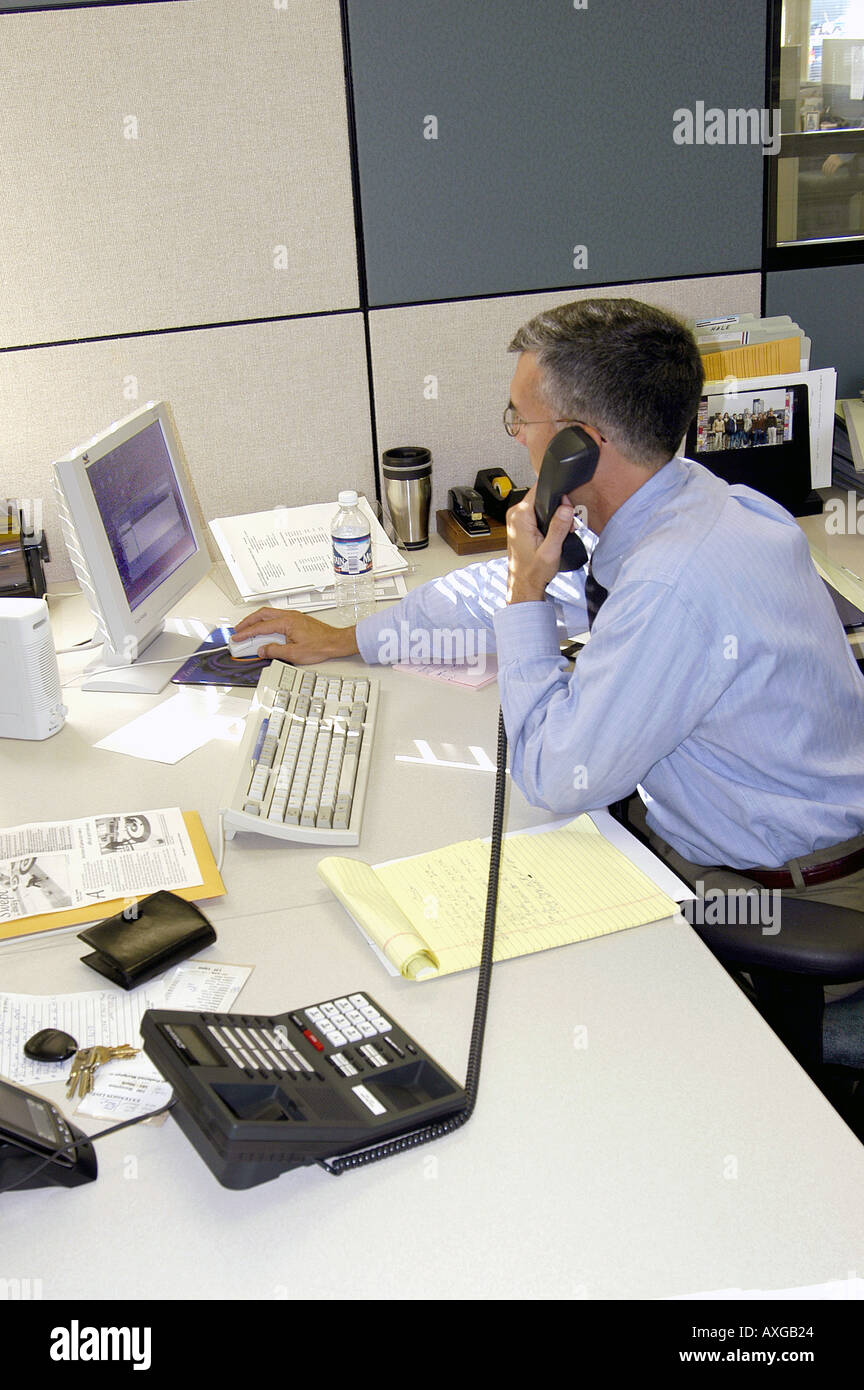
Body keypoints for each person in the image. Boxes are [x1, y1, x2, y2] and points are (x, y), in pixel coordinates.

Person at [234, 297, 864, 914]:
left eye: (519, 420)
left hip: (777, 889)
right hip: (746, 826)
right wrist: (351, 637)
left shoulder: (668, 587)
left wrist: (526, 596)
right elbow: (498, 593)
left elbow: (553, 779)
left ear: (578, 447)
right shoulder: (695, 500)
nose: (515, 439)